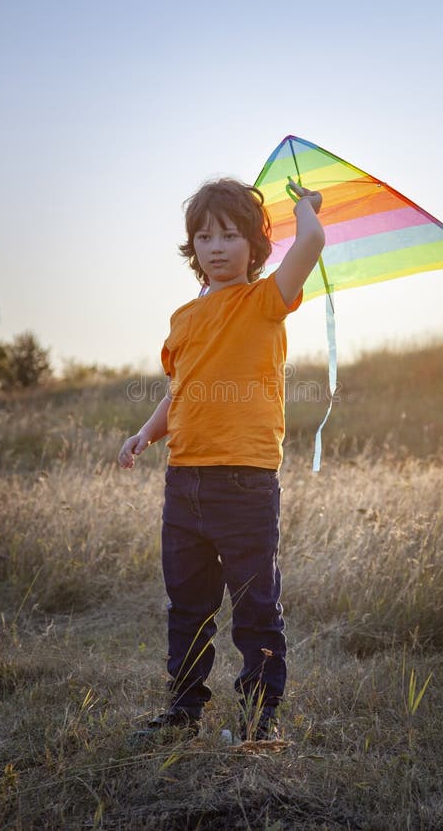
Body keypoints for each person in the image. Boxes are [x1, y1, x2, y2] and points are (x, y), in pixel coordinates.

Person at [118, 175, 324, 741]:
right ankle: (183, 711)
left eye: (231, 235)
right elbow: (178, 388)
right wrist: (145, 434)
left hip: (245, 482)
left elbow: (309, 246)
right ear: (193, 248)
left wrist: (306, 211)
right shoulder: (184, 317)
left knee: (256, 605)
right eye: (205, 236)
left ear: (256, 248)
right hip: (184, 480)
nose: (216, 246)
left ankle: (260, 719)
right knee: (187, 604)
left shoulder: (264, 301)